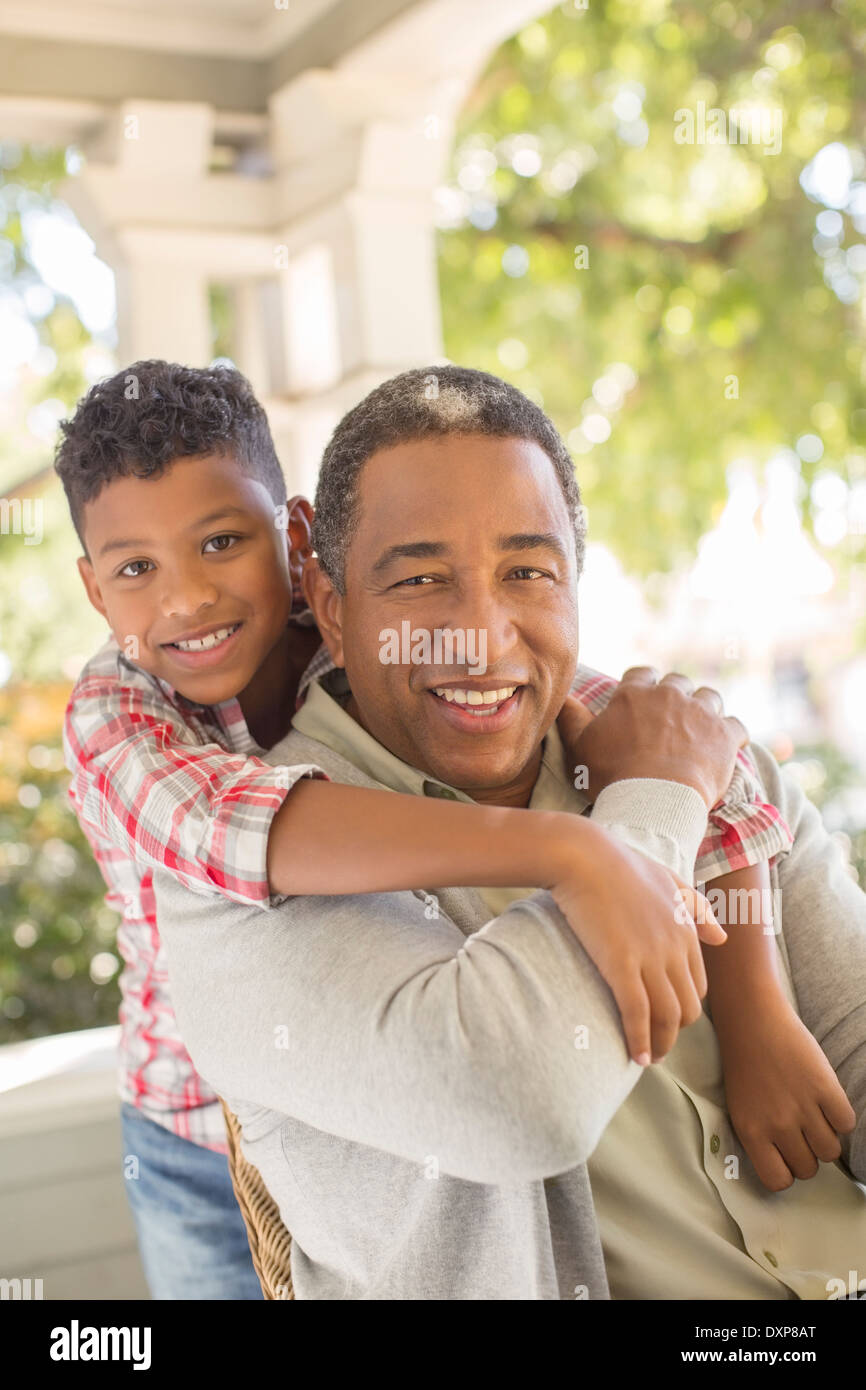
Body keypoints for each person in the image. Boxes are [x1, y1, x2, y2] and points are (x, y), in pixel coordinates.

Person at [154, 365, 866, 1299]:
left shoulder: (701, 758)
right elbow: (514, 1100)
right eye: (419, 580)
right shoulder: (242, 868)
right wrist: (653, 804)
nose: (482, 639)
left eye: (527, 572)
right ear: (329, 600)